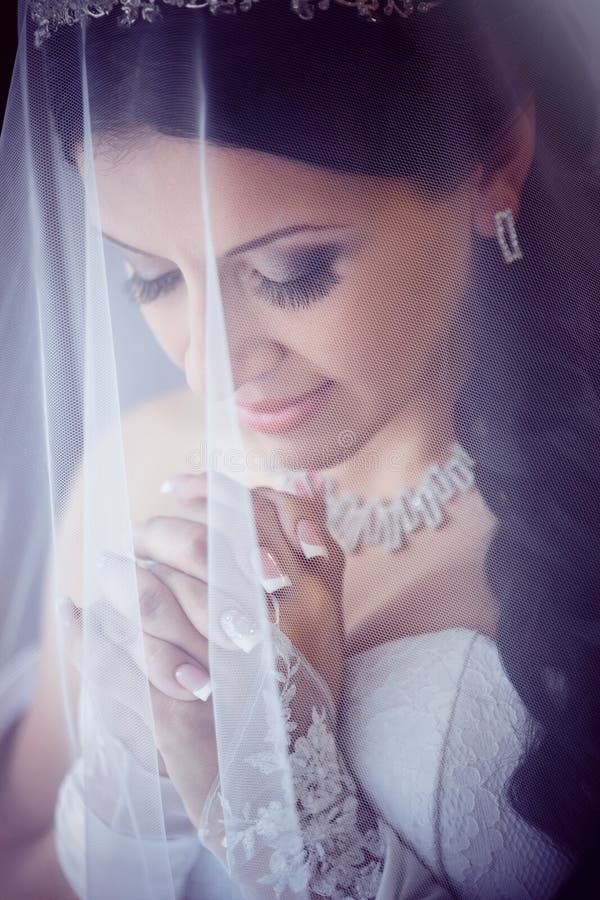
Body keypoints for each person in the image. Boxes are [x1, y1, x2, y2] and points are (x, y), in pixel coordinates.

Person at [1, 0, 600, 897]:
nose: (217, 367)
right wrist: (148, 778)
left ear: (493, 165)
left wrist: (289, 809)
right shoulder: (135, 472)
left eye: (293, 272)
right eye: (150, 278)